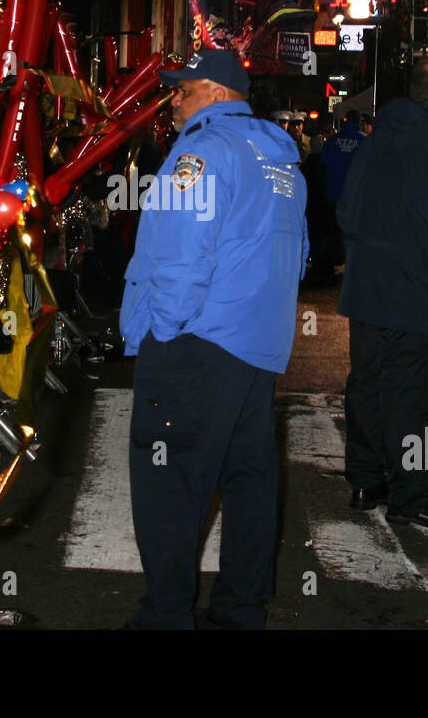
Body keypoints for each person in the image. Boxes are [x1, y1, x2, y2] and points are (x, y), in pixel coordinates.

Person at [120, 48, 307, 629]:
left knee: (170, 482)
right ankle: (240, 611)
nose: (175, 101)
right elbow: (297, 253)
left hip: (197, 341)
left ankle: (167, 617)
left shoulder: (202, 151)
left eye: (185, 89)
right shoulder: (280, 156)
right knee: (249, 478)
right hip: (255, 346)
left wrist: (164, 331)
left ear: (220, 93)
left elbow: (180, 251)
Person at [337, 58, 428, 527]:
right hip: (418, 295)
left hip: (367, 291)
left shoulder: (373, 145)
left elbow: (347, 214)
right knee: (411, 399)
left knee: (366, 384)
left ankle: (363, 480)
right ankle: (409, 497)